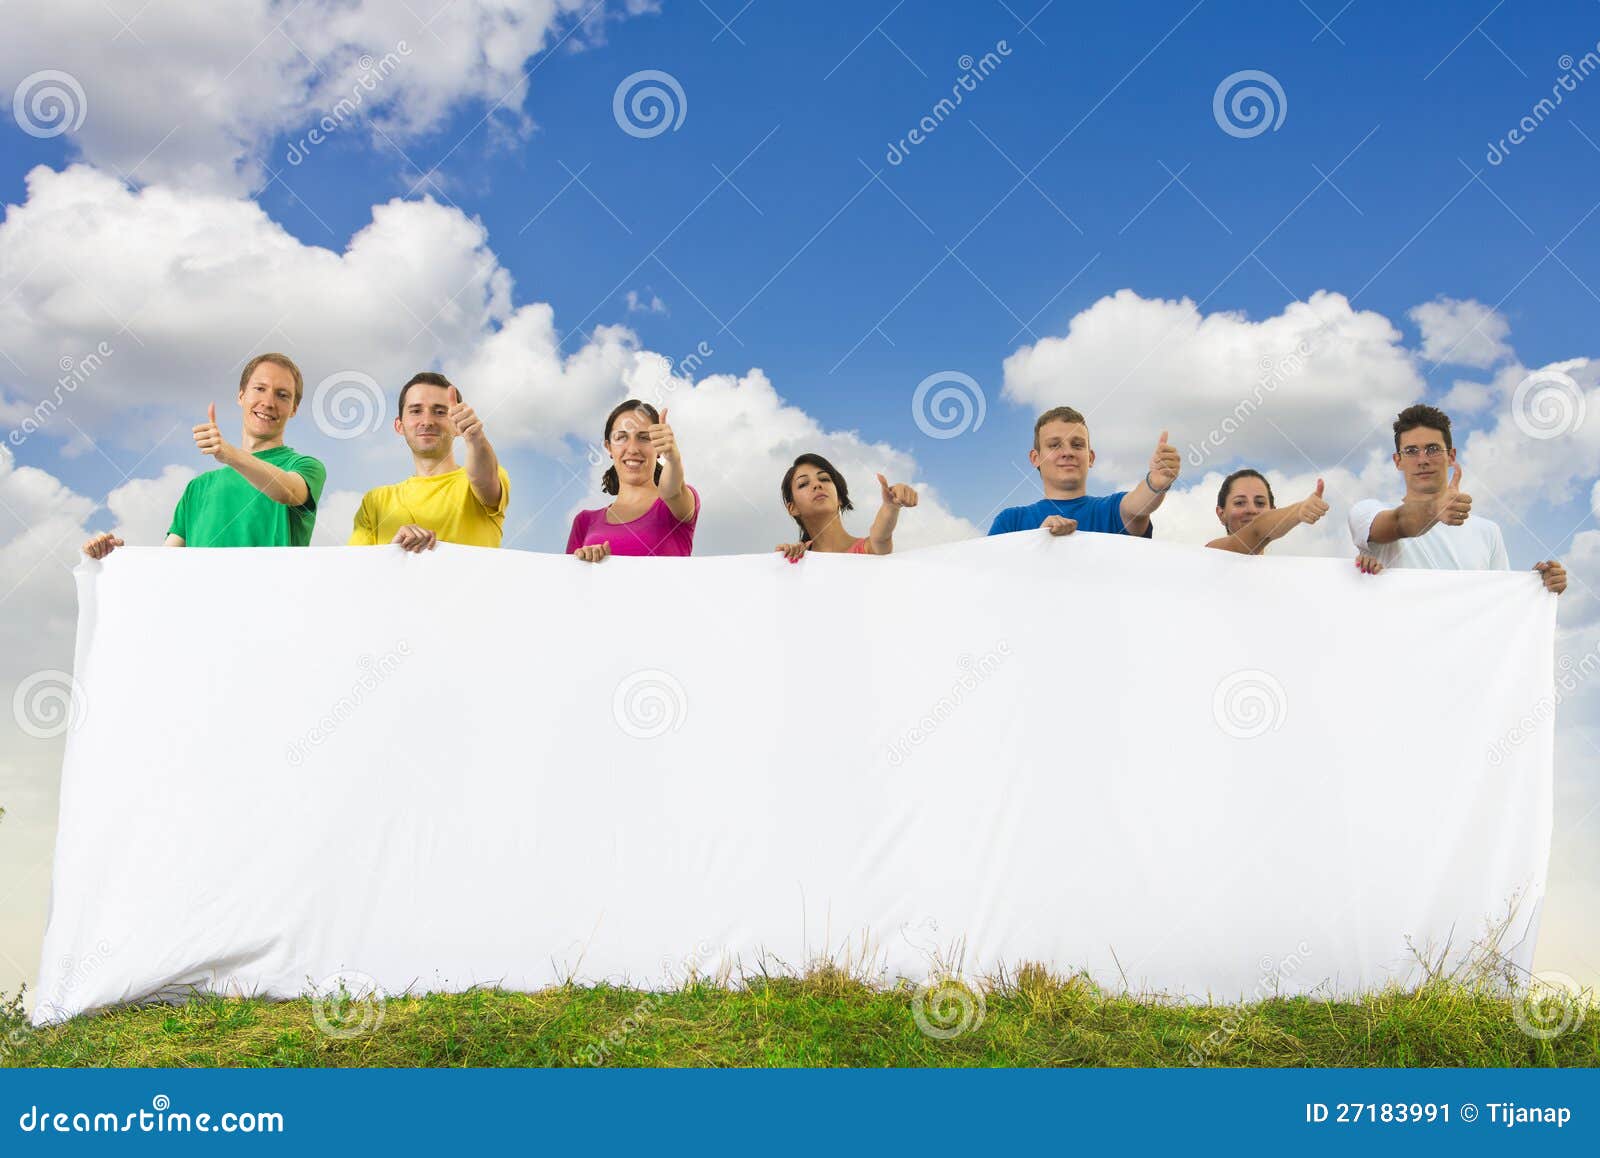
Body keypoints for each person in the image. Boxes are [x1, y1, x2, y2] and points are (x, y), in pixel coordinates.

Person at [82, 353, 325, 558]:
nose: (269, 402)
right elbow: (165, 566)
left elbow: (289, 492)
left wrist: (231, 454)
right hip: (202, 613)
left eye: (282, 395)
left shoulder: (305, 467)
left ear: (294, 408)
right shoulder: (197, 489)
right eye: (260, 389)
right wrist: (114, 557)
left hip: (272, 610)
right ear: (241, 395)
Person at [1348, 403, 1566, 592]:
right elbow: (1397, 523)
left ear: (1451, 456)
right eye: (1411, 451)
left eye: (1432, 449)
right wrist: (1434, 509)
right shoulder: (1367, 513)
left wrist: (1537, 586)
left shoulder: (1488, 532)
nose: (1422, 460)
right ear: (1397, 461)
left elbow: (1499, 602)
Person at [348, 372, 509, 553]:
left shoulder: (479, 482)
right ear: (399, 426)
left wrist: (475, 437)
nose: (427, 421)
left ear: (456, 424)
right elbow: (355, 575)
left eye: (440, 412)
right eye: (416, 411)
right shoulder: (374, 502)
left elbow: (484, 479)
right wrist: (392, 551)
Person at [988, 406, 1178, 538]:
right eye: (1055, 446)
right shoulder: (1010, 522)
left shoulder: (1111, 510)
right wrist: (1037, 541)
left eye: (1077, 445)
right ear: (1035, 458)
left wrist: (1155, 484)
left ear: (1091, 458)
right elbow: (989, 577)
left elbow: (1137, 505)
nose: (1067, 452)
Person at [567, 400, 698, 562]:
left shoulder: (673, 508)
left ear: (657, 447)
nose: (633, 449)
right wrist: (588, 562)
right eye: (621, 437)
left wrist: (673, 459)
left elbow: (672, 492)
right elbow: (569, 583)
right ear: (609, 447)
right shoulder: (584, 521)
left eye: (644, 438)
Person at [774, 453, 918, 560]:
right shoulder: (797, 560)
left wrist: (890, 506)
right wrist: (784, 560)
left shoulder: (867, 551)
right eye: (803, 484)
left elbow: (881, 537)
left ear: (840, 498)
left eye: (824, 479)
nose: (817, 485)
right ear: (792, 508)